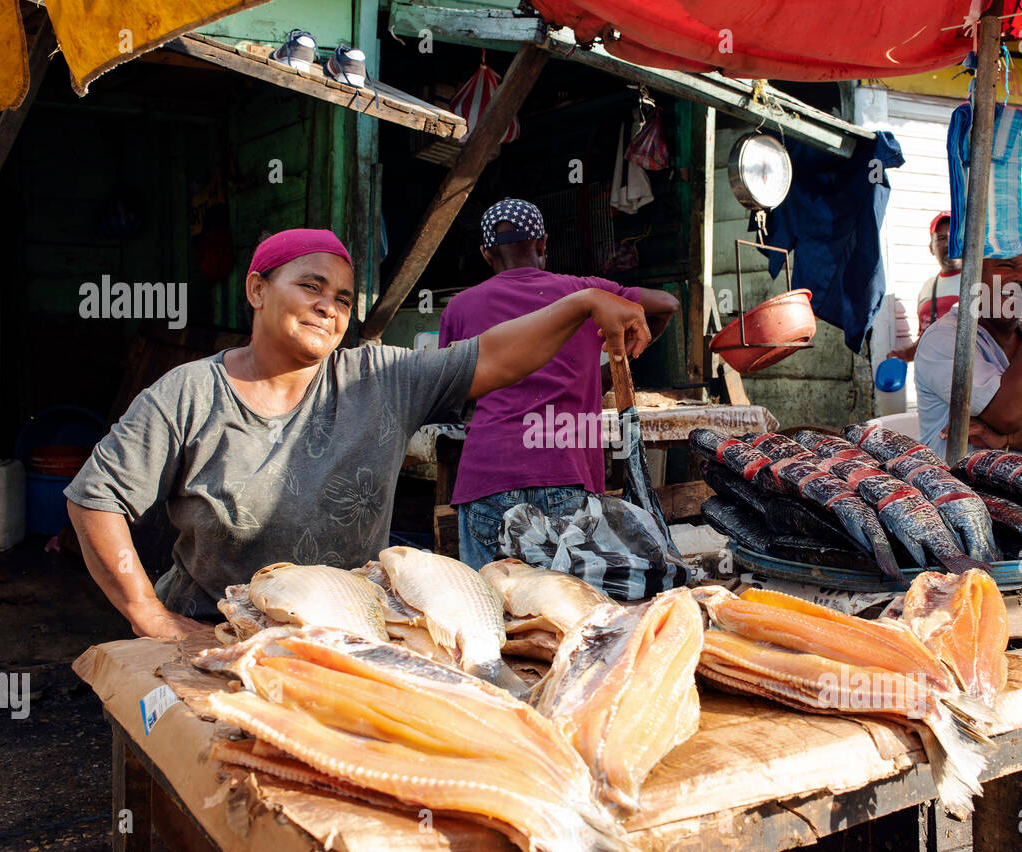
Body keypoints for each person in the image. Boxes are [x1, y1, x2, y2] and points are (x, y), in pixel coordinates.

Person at [65, 227, 650, 638]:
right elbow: (96, 497)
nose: (329, 307)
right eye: (311, 287)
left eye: (343, 298)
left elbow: (495, 356)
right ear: (257, 290)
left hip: (348, 629)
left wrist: (582, 303)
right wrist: (148, 613)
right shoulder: (189, 393)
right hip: (217, 629)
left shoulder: (382, 378)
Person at [440, 199, 679, 569]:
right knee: (567, 614)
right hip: (567, 475)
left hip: (488, 478)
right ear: (542, 245)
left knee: (491, 611)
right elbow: (666, 303)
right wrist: (617, 361)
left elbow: (450, 399)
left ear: (487, 254)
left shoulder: (460, 308)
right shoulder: (586, 295)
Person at [914, 229, 1022, 465]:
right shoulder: (945, 338)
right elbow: (1006, 416)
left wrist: (1006, 438)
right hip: (960, 497)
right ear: (973, 272)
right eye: (1006, 266)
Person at [889, 211, 962, 362]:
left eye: (954, 236)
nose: (948, 243)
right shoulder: (927, 289)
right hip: (932, 382)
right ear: (931, 247)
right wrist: (905, 354)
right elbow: (926, 339)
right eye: (941, 238)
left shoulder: (979, 282)